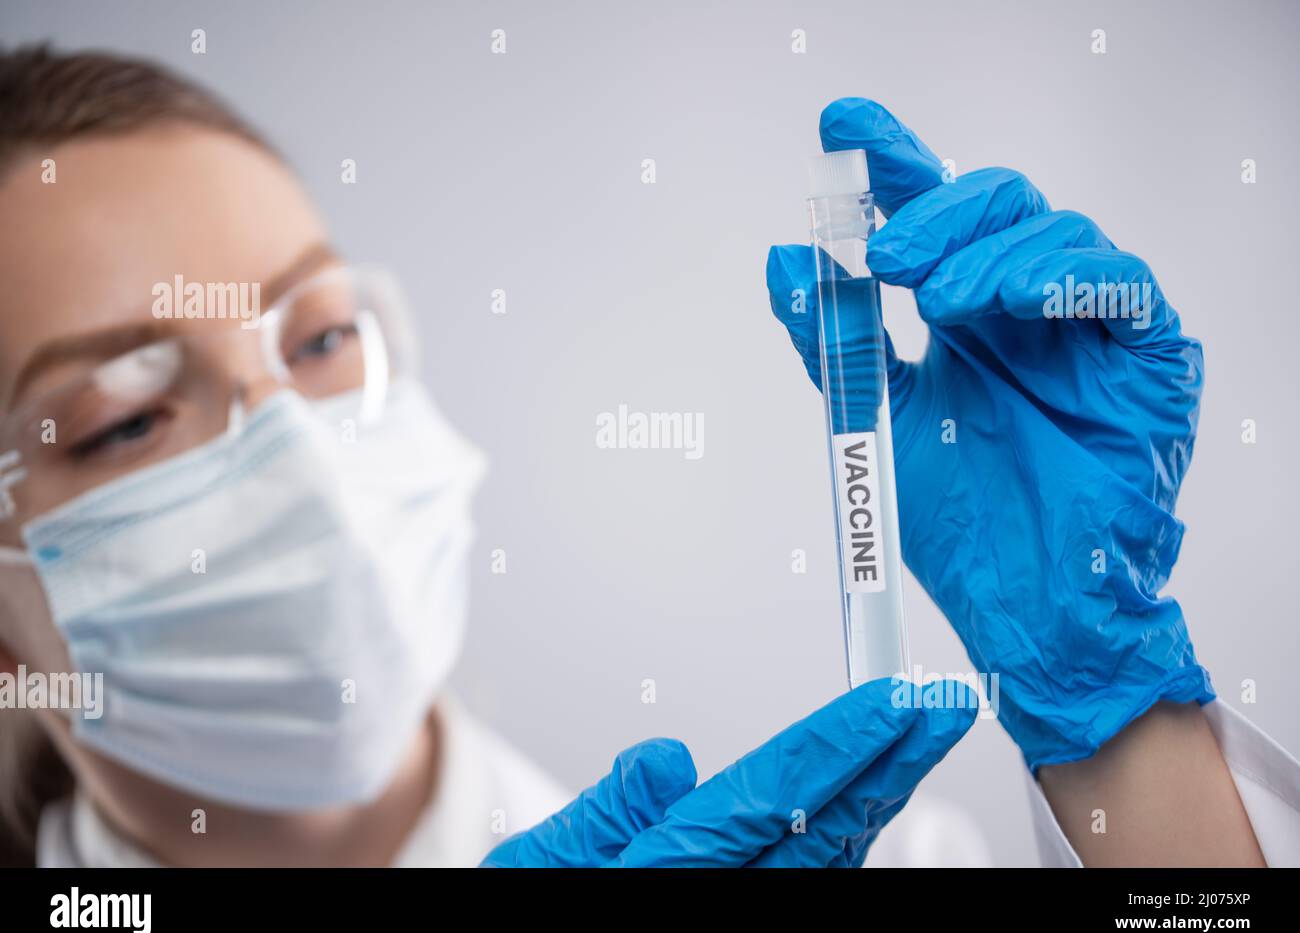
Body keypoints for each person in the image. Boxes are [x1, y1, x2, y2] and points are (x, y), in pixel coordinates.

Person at [0, 47, 1292, 868]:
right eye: (123, 417)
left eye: (323, 335)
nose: (300, 452)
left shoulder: (870, 851)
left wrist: (1113, 712)